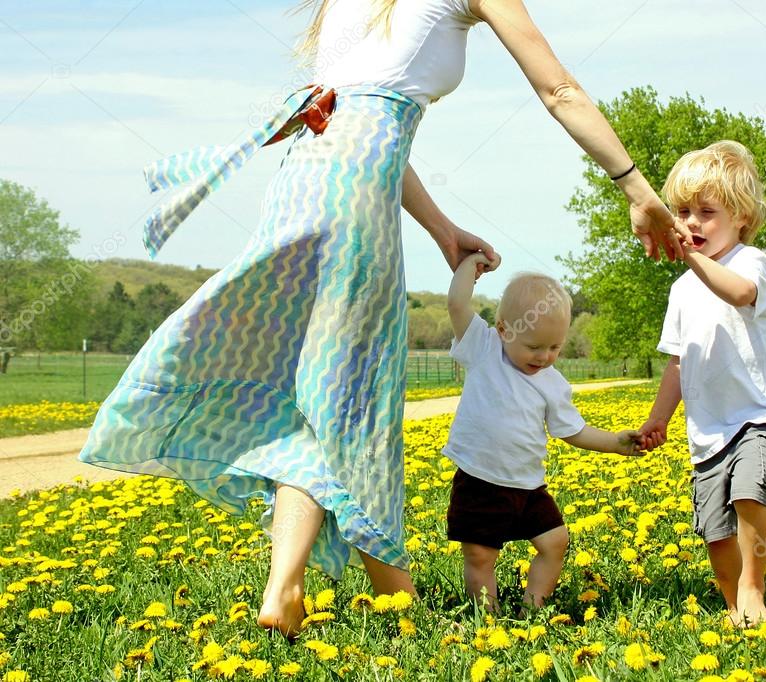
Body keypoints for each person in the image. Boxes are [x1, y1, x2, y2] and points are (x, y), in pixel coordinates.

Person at [79, 0, 689, 638]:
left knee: (310, 395)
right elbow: (559, 88)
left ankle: (301, 587)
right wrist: (636, 187)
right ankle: (383, 597)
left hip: (307, 176)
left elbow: (362, 117)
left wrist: (441, 229)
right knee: (353, 395)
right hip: (357, 188)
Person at [638, 141, 766, 627]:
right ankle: (735, 607)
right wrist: (658, 418)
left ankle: (754, 584)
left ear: (742, 218)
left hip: (758, 415)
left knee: (750, 491)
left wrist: (691, 259)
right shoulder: (681, 290)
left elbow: (740, 293)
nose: (690, 223)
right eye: (682, 212)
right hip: (707, 430)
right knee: (715, 530)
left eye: (707, 213)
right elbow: (679, 362)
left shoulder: (750, 261)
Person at [445, 255, 643, 610]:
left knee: (555, 541)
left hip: (528, 487)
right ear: (504, 329)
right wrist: (470, 266)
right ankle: (485, 617)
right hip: (480, 481)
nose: (544, 357)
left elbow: (574, 431)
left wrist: (616, 443)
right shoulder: (484, 348)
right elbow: (457, 303)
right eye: (534, 347)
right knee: (480, 554)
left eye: (555, 348)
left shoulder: (552, 383)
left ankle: (533, 609)